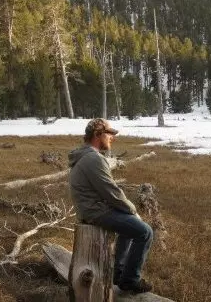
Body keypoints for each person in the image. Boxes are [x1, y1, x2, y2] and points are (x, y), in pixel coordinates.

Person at [68, 118, 153, 294]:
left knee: (128, 227)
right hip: (95, 212)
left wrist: (126, 210)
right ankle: (130, 281)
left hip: (91, 209)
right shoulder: (93, 158)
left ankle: (119, 273)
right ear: (98, 135)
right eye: (110, 134)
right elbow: (111, 192)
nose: (112, 138)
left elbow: (106, 191)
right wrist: (133, 210)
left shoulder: (85, 156)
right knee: (145, 232)